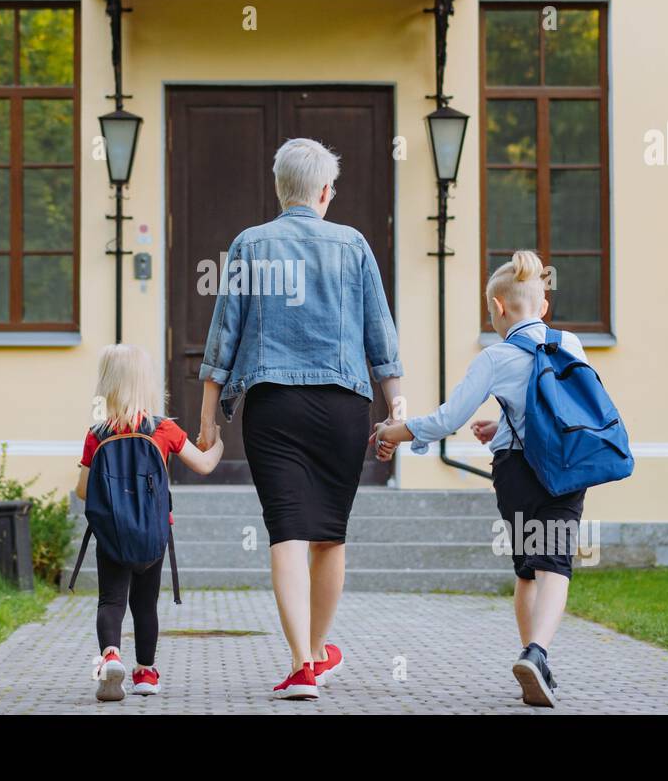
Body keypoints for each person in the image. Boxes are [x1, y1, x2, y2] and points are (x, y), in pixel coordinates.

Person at [198, 138, 402, 700]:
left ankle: (301, 665)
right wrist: (397, 412)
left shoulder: (249, 244)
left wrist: (208, 424)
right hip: (343, 404)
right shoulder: (354, 245)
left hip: (273, 406)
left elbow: (223, 335)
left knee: (285, 531)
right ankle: (314, 651)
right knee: (329, 538)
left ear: (279, 187)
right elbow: (379, 334)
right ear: (324, 191)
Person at [372, 250, 586, 708]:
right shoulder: (570, 345)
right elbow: (566, 410)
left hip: (516, 470)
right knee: (556, 565)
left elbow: (449, 418)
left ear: (498, 309)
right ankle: (538, 654)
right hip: (567, 466)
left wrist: (395, 431)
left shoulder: (496, 356)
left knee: (528, 567)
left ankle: (534, 664)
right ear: (544, 307)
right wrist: (505, 422)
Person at [76, 344, 223, 701]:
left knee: (111, 601)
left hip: (113, 535)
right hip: (152, 534)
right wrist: (216, 443)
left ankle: (111, 655)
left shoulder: (97, 434)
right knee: (145, 604)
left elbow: (83, 491)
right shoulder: (164, 429)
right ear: (147, 383)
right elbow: (203, 465)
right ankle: (146, 673)